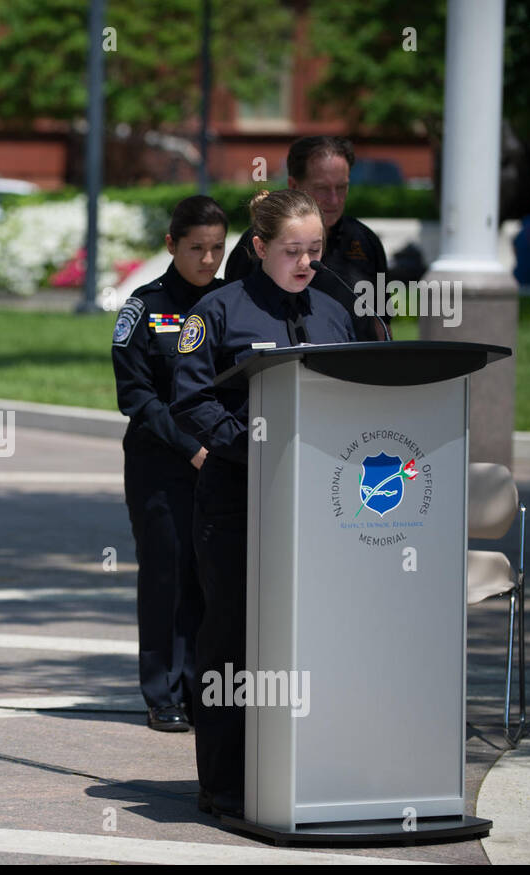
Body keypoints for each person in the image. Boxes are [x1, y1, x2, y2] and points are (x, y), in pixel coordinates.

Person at [171, 188, 355, 817]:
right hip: (238, 501)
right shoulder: (218, 312)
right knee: (232, 640)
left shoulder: (334, 314)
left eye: (315, 250)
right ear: (258, 248)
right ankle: (225, 785)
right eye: (291, 251)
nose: (305, 263)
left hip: (319, 504)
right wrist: (255, 450)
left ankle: (308, 770)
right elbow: (192, 403)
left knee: (313, 636)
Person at [112, 196, 228, 732]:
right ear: (171, 245)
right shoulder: (144, 307)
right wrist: (192, 446)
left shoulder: (231, 305)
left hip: (221, 463)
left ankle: (204, 691)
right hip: (162, 466)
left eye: (216, 249)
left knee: (211, 577)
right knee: (168, 576)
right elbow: (138, 397)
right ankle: (163, 694)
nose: (207, 260)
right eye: (196, 249)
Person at [224, 137, 389, 341]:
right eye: (322, 188)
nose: (334, 200)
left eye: (341, 187)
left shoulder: (365, 240)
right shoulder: (259, 242)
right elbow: (231, 313)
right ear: (293, 185)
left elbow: (381, 324)